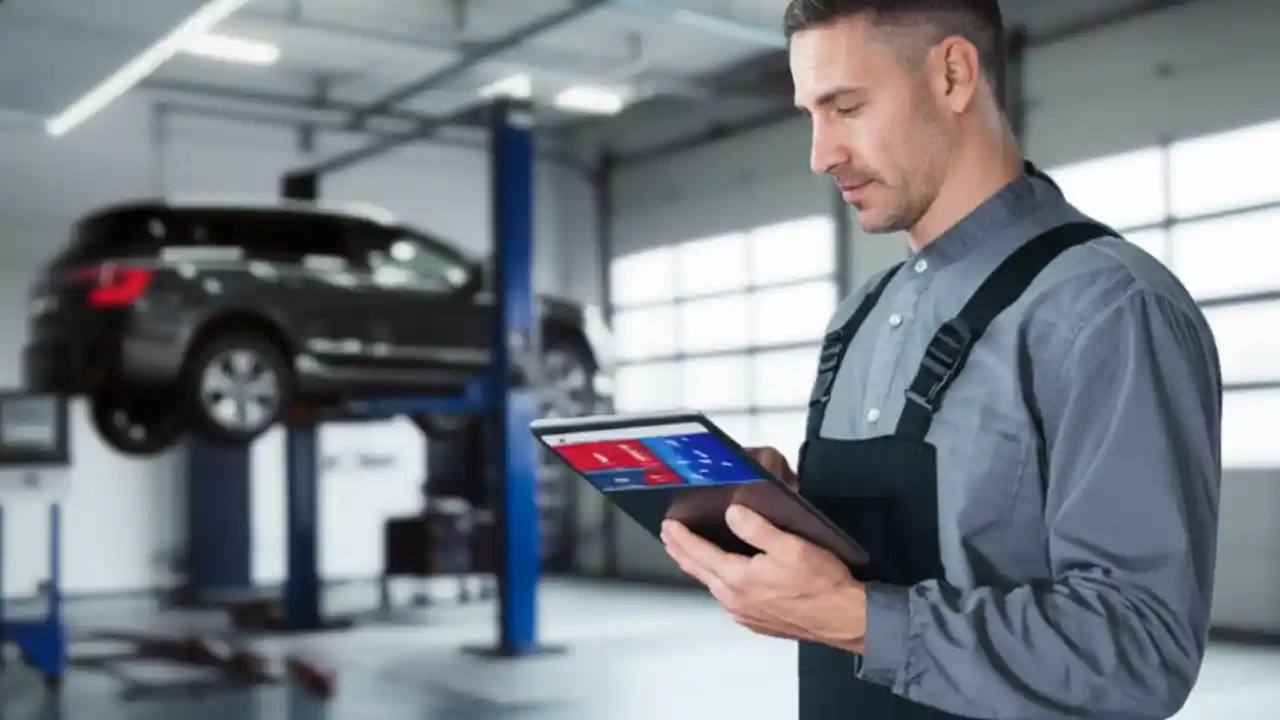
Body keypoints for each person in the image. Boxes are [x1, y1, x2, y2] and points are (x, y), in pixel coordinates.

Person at [658, 1, 1223, 718]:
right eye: (811, 115)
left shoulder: (1106, 309)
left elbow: (1141, 652)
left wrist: (855, 618)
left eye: (847, 107)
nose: (820, 154)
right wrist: (787, 515)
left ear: (954, 75)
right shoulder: (858, 316)